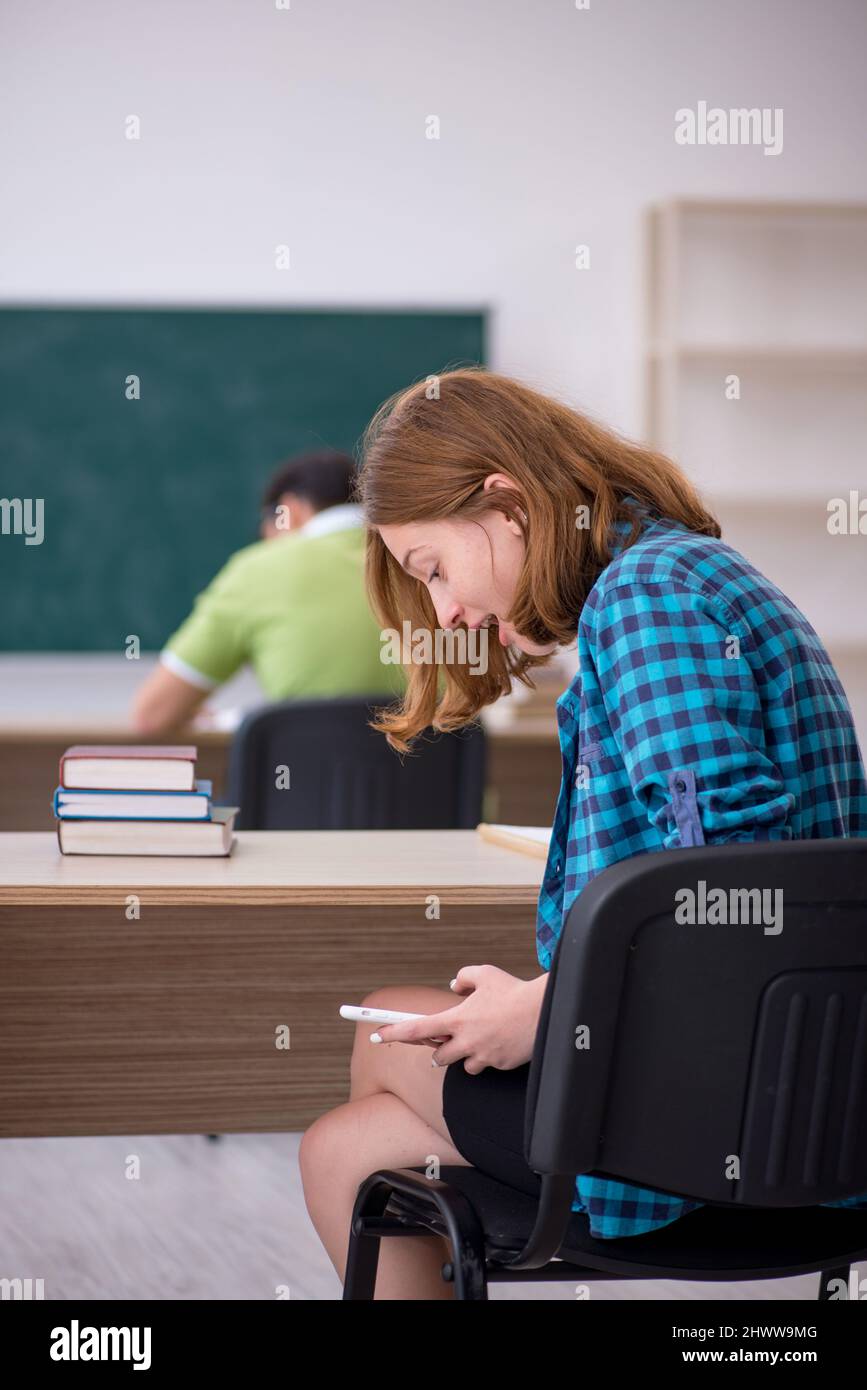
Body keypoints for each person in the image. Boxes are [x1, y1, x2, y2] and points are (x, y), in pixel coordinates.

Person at [298, 366, 867, 1300]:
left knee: (367, 1091)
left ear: (506, 502)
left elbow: (729, 885)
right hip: (799, 1102)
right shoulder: (683, 574)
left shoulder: (644, 599)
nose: (443, 613)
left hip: (717, 1121)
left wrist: (544, 1008)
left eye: (434, 569)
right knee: (356, 1129)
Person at [131, 449, 403, 735]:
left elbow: (152, 715)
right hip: (434, 776)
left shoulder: (256, 570)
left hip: (303, 776)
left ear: (289, 509)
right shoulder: (423, 557)